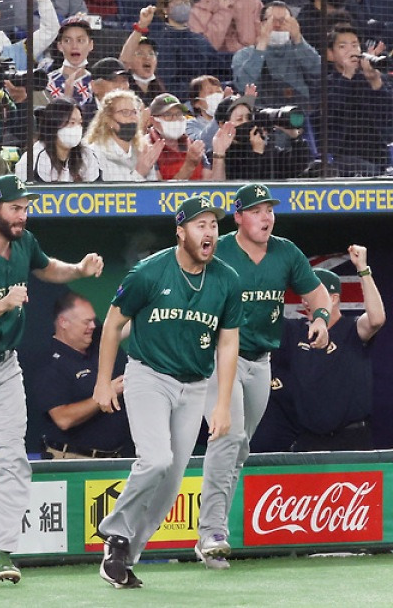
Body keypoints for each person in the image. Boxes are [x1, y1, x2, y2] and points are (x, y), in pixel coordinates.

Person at [0, 175, 103, 582]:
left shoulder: (24, 241)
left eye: (25, 208)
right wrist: (4, 305)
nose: (22, 215)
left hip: (5, 366)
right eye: (15, 208)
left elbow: (47, 268)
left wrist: (78, 269)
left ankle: (0, 552)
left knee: (14, 459)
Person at [94, 197, 243, 590]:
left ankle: (123, 555)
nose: (209, 232)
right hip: (149, 376)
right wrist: (103, 381)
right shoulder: (149, 272)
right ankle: (115, 531)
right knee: (157, 459)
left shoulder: (226, 279)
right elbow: (113, 324)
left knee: (172, 481)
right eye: (200, 225)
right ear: (180, 232)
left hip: (195, 385)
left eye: (214, 225)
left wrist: (223, 404)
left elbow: (228, 343)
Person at [193, 183, 333, 570]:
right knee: (227, 437)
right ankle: (212, 532)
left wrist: (321, 319)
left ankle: (211, 534)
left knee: (240, 448)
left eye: (269, 209)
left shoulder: (285, 252)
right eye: (256, 211)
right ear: (238, 217)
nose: (266, 217)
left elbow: (318, 294)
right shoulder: (217, 249)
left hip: (260, 360)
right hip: (218, 357)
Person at [274, 257, 385, 451]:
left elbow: (376, 319)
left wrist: (363, 269)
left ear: (333, 299)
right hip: (308, 439)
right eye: (305, 295)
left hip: (352, 439)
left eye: (313, 296)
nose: (305, 301)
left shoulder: (352, 328)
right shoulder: (295, 331)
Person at [33, 292, 130, 460]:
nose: (92, 326)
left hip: (113, 458)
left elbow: (126, 325)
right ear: (64, 322)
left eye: (93, 320)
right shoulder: (49, 363)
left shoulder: (96, 341)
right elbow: (63, 419)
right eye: (86, 322)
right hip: (72, 459)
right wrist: (107, 392)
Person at [322, 24, 393, 177]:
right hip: (340, 158)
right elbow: (332, 111)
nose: (351, 51)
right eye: (343, 47)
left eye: (355, 45)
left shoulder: (372, 78)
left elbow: (388, 114)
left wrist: (375, 81)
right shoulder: (325, 83)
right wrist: (347, 75)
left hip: (379, 157)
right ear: (330, 54)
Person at [231, 1, 320, 109]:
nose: (277, 25)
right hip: (260, 113)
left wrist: (298, 39)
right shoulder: (244, 55)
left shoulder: (300, 51)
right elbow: (242, 85)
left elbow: (318, 71)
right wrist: (262, 44)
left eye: (283, 21)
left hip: (299, 113)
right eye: (272, 21)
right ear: (261, 24)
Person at [144, 0, 232, 88]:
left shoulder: (201, 41)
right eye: (177, 1)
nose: (183, 5)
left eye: (186, 1)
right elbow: (166, 83)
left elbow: (222, 73)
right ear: (165, 9)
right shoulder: (157, 42)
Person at [146, 93, 227, 181]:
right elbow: (158, 188)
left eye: (179, 114)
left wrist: (219, 153)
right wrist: (189, 166)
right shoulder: (147, 147)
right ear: (153, 120)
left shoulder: (191, 144)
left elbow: (212, 184)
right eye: (168, 115)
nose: (175, 119)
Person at [16, 97, 99, 182]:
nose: (77, 128)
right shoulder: (33, 159)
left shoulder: (86, 155)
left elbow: (96, 187)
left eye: (80, 123)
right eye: (72, 123)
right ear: (54, 125)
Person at [83, 89, 160, 182]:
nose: (132, 117)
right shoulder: (93, 154)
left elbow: (153, 188)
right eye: (125, 112)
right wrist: (139, 173)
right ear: (108, 119)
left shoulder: (143, 150)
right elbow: (105, 190)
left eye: (135, 112)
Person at [189, 0, 262, 54]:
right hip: (216, 61)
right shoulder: (196, 12)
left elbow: (262, 39)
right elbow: (206, 50)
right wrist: (223, 13)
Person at [44, 16, 96, 110]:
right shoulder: (47, 83)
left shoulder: (96, 84)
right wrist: (67, 95)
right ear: (60, 46)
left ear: (90, 45)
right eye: (67, 40)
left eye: (80, 40)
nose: (74, 46)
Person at [122, 36, 166, 105]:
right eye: (140, 53)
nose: (147, 57)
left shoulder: (161, 90)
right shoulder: (123, 88)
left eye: (151, 53)